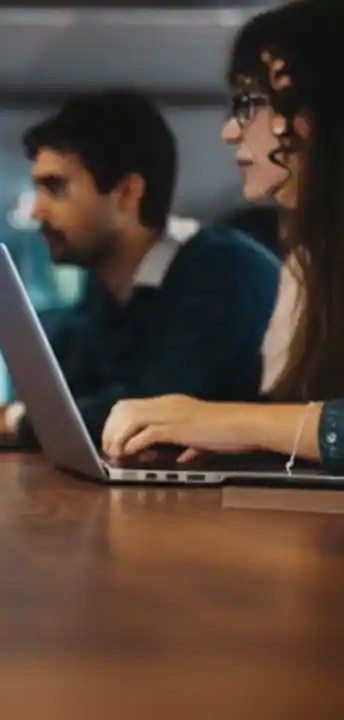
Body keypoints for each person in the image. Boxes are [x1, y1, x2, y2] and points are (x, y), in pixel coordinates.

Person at [0, 90, 279, 443]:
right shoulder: (103, 289)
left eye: (56, 188)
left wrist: (10, 419)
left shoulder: (223, 273)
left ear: (127, 193)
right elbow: (73, 402)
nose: (35, 212)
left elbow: (156, 414)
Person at [103, 0, 344, 470]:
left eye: (249, 104)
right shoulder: (309, 265)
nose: (230, 132)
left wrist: (238, 424)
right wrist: (257, 439)